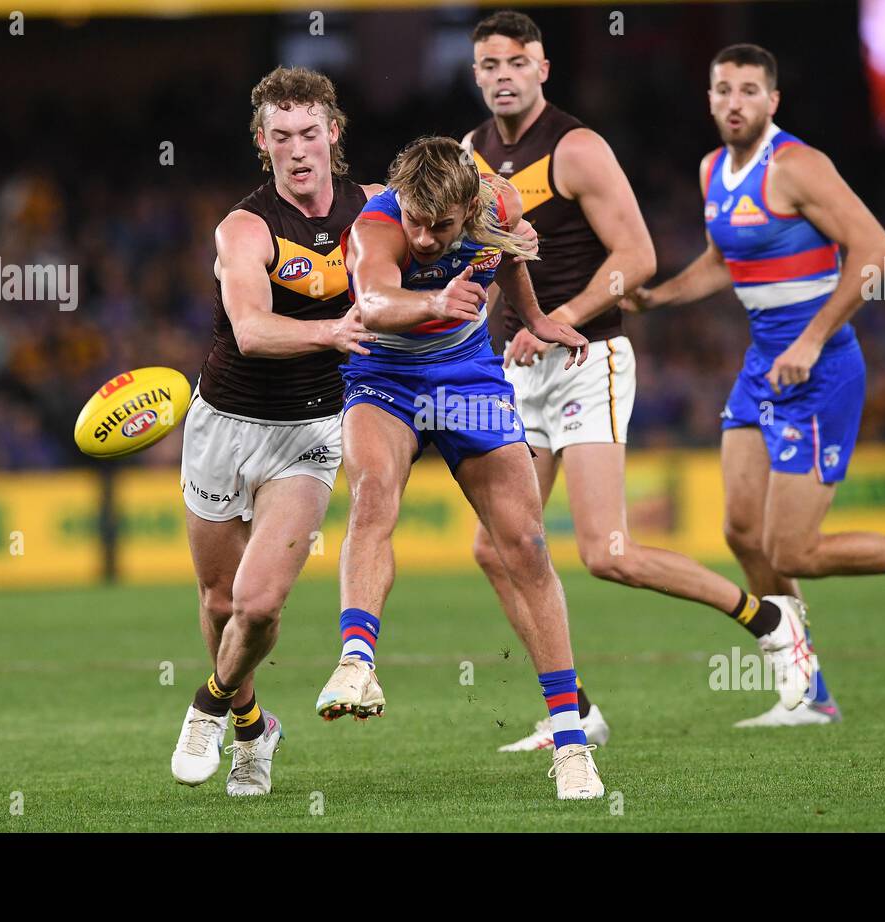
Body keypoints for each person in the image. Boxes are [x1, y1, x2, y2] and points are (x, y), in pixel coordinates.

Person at [623, 44, 885, 726]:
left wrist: (810, 338)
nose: (734, 101)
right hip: (763, 368)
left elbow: (878, 251)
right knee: (742, 532)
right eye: (722, 89)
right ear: (709, 100)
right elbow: (723, 261)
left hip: (821, 369)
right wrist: (661, 297)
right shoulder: (715, 168)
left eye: (748, 90)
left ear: (773, 101)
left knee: (794, 550)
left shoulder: (797, 166)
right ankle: (809, 690)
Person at [464, 11, 815, 751]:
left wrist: (553, 319)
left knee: (608, 554)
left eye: (515, 62)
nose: (502, 75)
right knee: (496, 548)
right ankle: (574, 707)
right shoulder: (471, 154)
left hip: (588, 363)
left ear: (542, 69)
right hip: (517, 369)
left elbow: (639, 255)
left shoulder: (577, 147)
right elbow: (491, 266)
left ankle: (768, 618)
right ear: (476, 74)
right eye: (488, 64)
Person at [312, 135, 604, 799]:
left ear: (469, 206)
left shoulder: (497, 203)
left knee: (527, 547)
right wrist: (435, 302)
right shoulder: (375, 225)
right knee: (373, 498)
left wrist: (535, 317)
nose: (421, 235)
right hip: (383, 375)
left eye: (439, 225)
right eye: (414, 218)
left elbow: (505, 257)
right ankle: (357, 661)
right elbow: (375, 300)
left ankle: (570, 742)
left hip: (467, 376)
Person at [170, 67, 383, 795]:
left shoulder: (378, 210)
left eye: (310, 132)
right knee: (221, 602)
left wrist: (498, 238)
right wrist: (340, 330)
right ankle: (253, 726)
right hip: (223, 423)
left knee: (260, 604)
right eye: (281, 136)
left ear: (335, 133)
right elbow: (254, 333)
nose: (298, 149)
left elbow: (454, 221)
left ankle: (207, 705)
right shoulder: (244, 227)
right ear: (262, 142)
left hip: (309, 431)